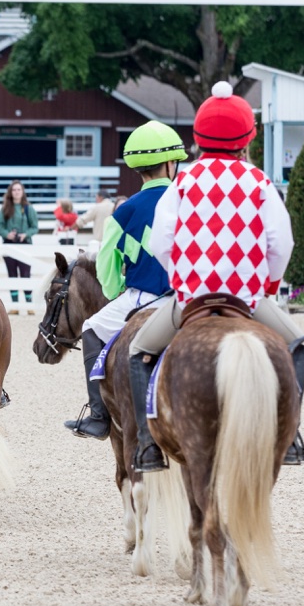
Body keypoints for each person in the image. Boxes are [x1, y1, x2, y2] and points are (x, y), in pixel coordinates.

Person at [128, 81, 304, 472]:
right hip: (246, 299)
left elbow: (162, 241)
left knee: (137, 352)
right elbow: (282, 243)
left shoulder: (182, 182)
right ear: (247, 138)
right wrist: (269, 285)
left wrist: (183, 277)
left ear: (198, 136)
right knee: (298, 345)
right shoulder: (260, 182)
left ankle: (147, 446)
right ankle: (291, 434)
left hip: (191, 299)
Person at [65, 121, 185, 441]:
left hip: (141, 297)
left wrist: (117, 290)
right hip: (186, 299)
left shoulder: (125, 211)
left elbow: (106, 266)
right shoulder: (189, 201)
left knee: (91, 328)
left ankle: (99, 416)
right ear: (171, 164)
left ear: (137, 169)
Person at [0, 180, 38, 305]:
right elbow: (0, 227)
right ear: (10, 192)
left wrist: (26, 234)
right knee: (12, 274)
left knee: (26, 274)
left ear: (22, 191)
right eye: (14, 190)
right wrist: (7, 234)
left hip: (25, 245)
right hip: (9, 245)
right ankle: (15, 303)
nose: (16, 192)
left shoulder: (28, 208)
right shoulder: (5, 208)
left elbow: (34, 227)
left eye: (19, 189)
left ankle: (28, 303)